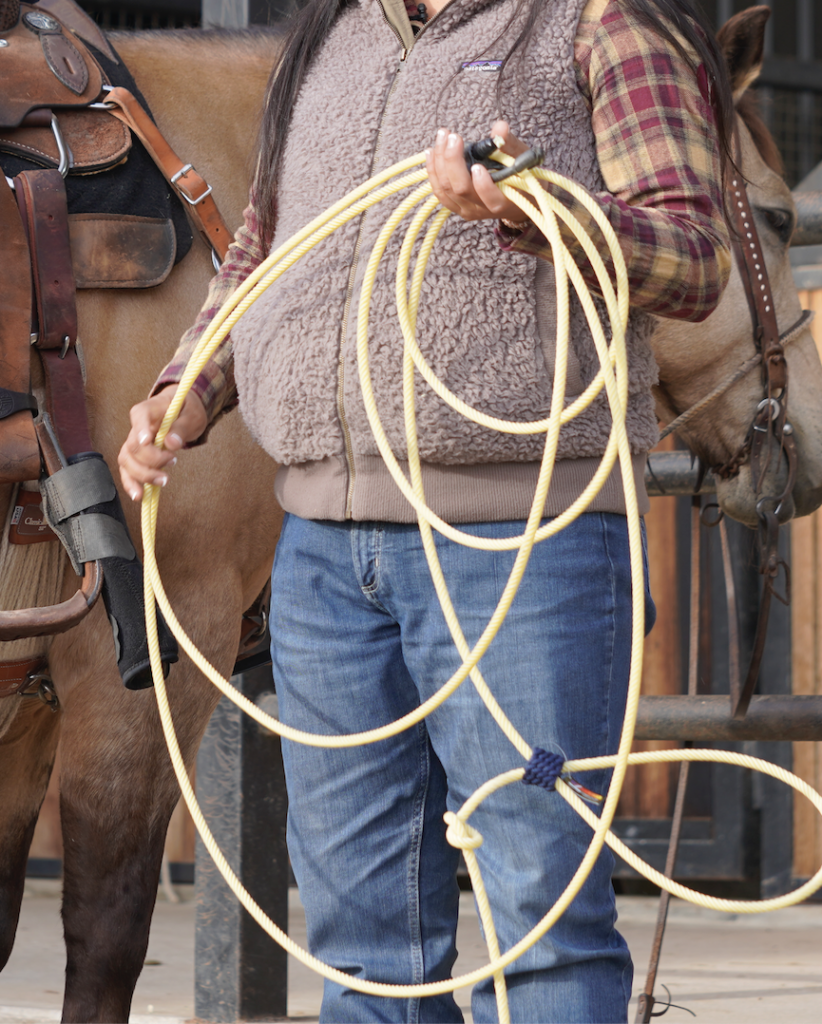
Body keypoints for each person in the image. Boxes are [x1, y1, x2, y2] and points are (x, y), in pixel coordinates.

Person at [120, 0, 732, 1019]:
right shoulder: (329, 38)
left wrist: (532, 204)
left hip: (522, 543)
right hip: (323, 552)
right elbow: (266, 248)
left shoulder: (597, 23)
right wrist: (186, 388)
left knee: (539, 920)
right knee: (362, 941)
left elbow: (694, 255)